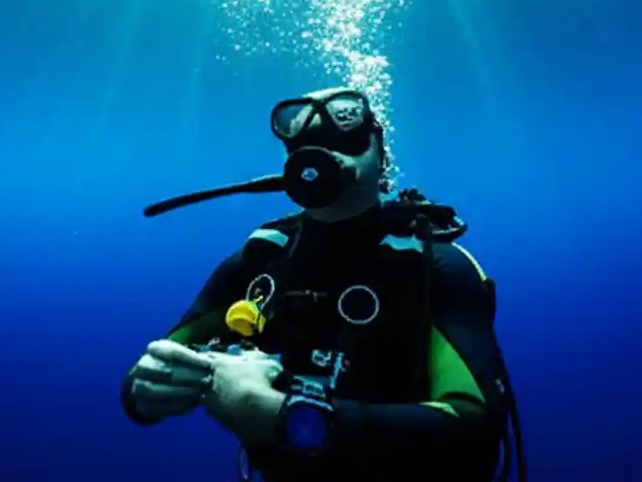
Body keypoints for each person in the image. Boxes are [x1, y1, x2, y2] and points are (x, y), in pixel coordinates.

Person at [121, 87, 524, 481]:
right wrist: (146, 389)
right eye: (306, 146)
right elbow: (156, 364)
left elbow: (476, 428)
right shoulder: (262, 257)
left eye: (345, 139)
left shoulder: (431, 265)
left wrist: (288, 418)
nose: (322, 154)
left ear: (380, 156)